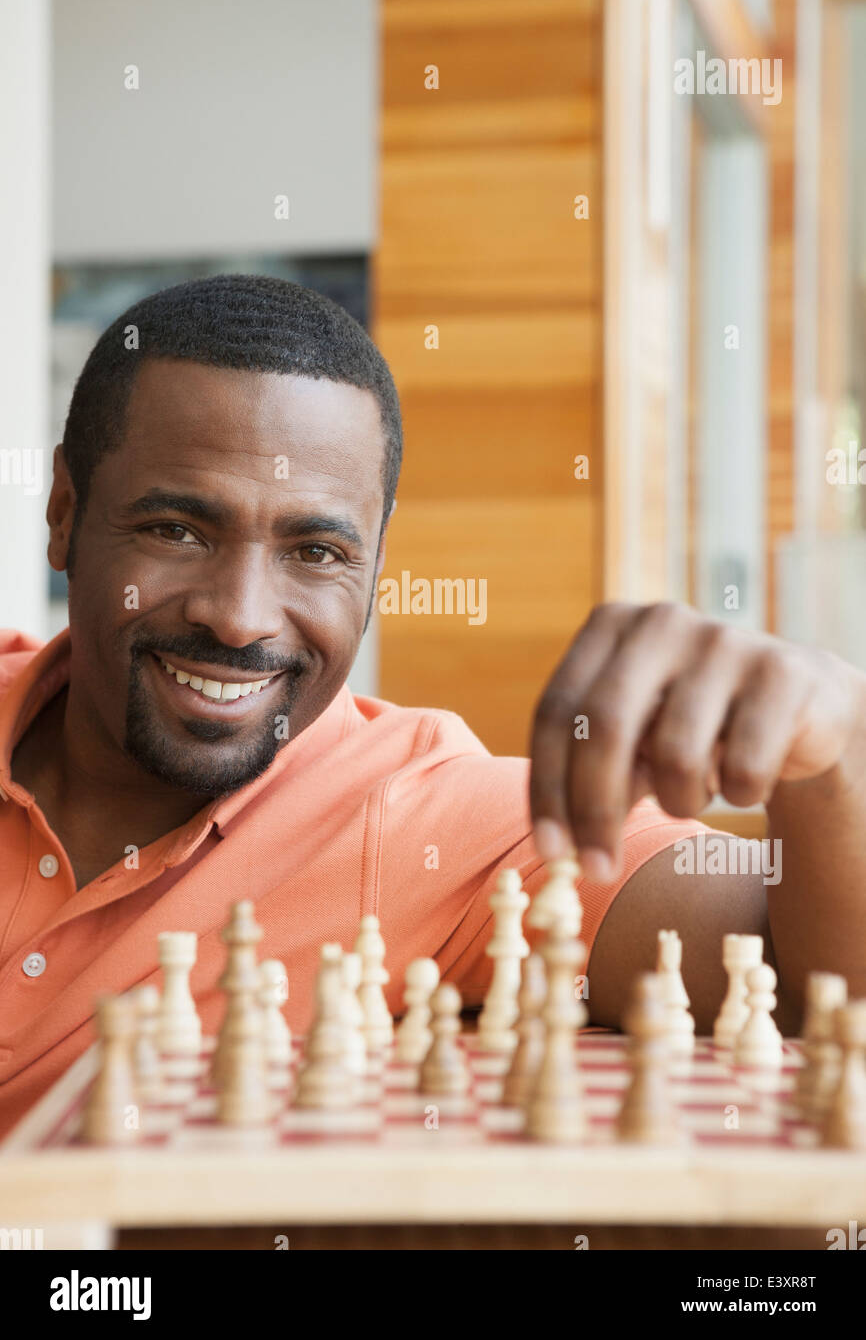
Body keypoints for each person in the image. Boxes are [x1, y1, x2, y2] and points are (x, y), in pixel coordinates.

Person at [1, 275, 863, 1138]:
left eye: (316, 550)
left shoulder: (428, 821)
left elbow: (807, 979)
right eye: (177, 531)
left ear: (375, 563)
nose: (239, 615)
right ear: (64, 514)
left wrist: (832, 750)